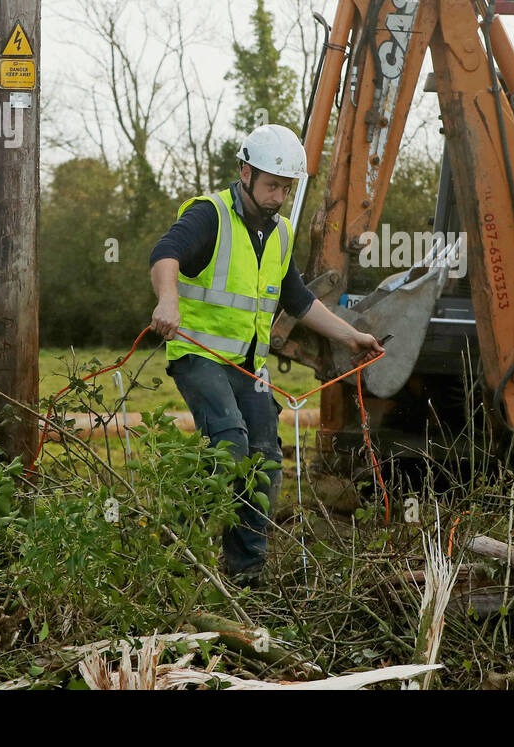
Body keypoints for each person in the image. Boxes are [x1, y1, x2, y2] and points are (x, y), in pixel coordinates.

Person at [148, 123, 383, 583]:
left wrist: (350, 336)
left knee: (265, 461)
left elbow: (298, 301)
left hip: (247, 366)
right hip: (200, 356)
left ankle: (247, 573)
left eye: (286, 188)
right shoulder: (210, 214)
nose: (278, 197)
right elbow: (166, 253)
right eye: (272, 185)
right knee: (230, 445)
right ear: (246, 172)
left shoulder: (278, 235)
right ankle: (175, 539)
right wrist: (168, 299)